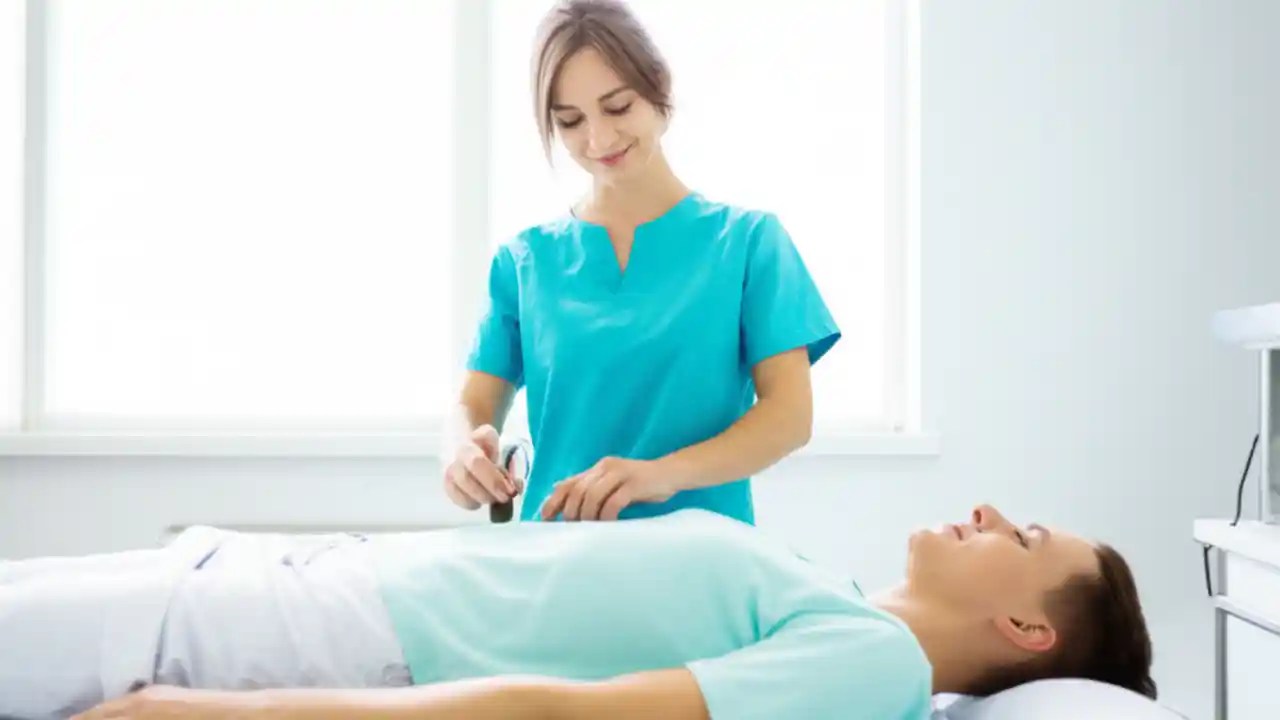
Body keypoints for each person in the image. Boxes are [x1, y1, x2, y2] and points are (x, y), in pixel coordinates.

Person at [0, 504, 1155, 720]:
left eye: (1024, 539)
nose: (991, 513)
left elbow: (558, 713)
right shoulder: (833, 600)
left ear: (1028, 635)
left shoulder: (874, 669)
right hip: (285, 584)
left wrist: (217, 718)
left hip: (299, 639)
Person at [444, 0, 840, 524]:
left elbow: (790, 417)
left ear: (660, 90)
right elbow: (473, 404)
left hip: (702, 561)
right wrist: (462, 457)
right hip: (557, 562)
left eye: (618, 107)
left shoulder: (748, 244)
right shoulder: (524, 262)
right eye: (570, 121)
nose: (599, 139)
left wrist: (657, 475)